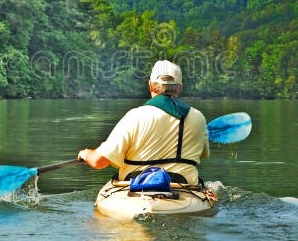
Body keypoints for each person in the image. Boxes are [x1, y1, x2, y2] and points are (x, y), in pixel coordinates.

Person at [78, 60, 209, 185]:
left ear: (150, 85)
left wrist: (87, 155)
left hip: (136, 187)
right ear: (179, 88)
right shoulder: (198, 118)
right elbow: (203, 154)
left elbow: (98, 162)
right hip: (185, 188)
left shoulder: (135, 116)